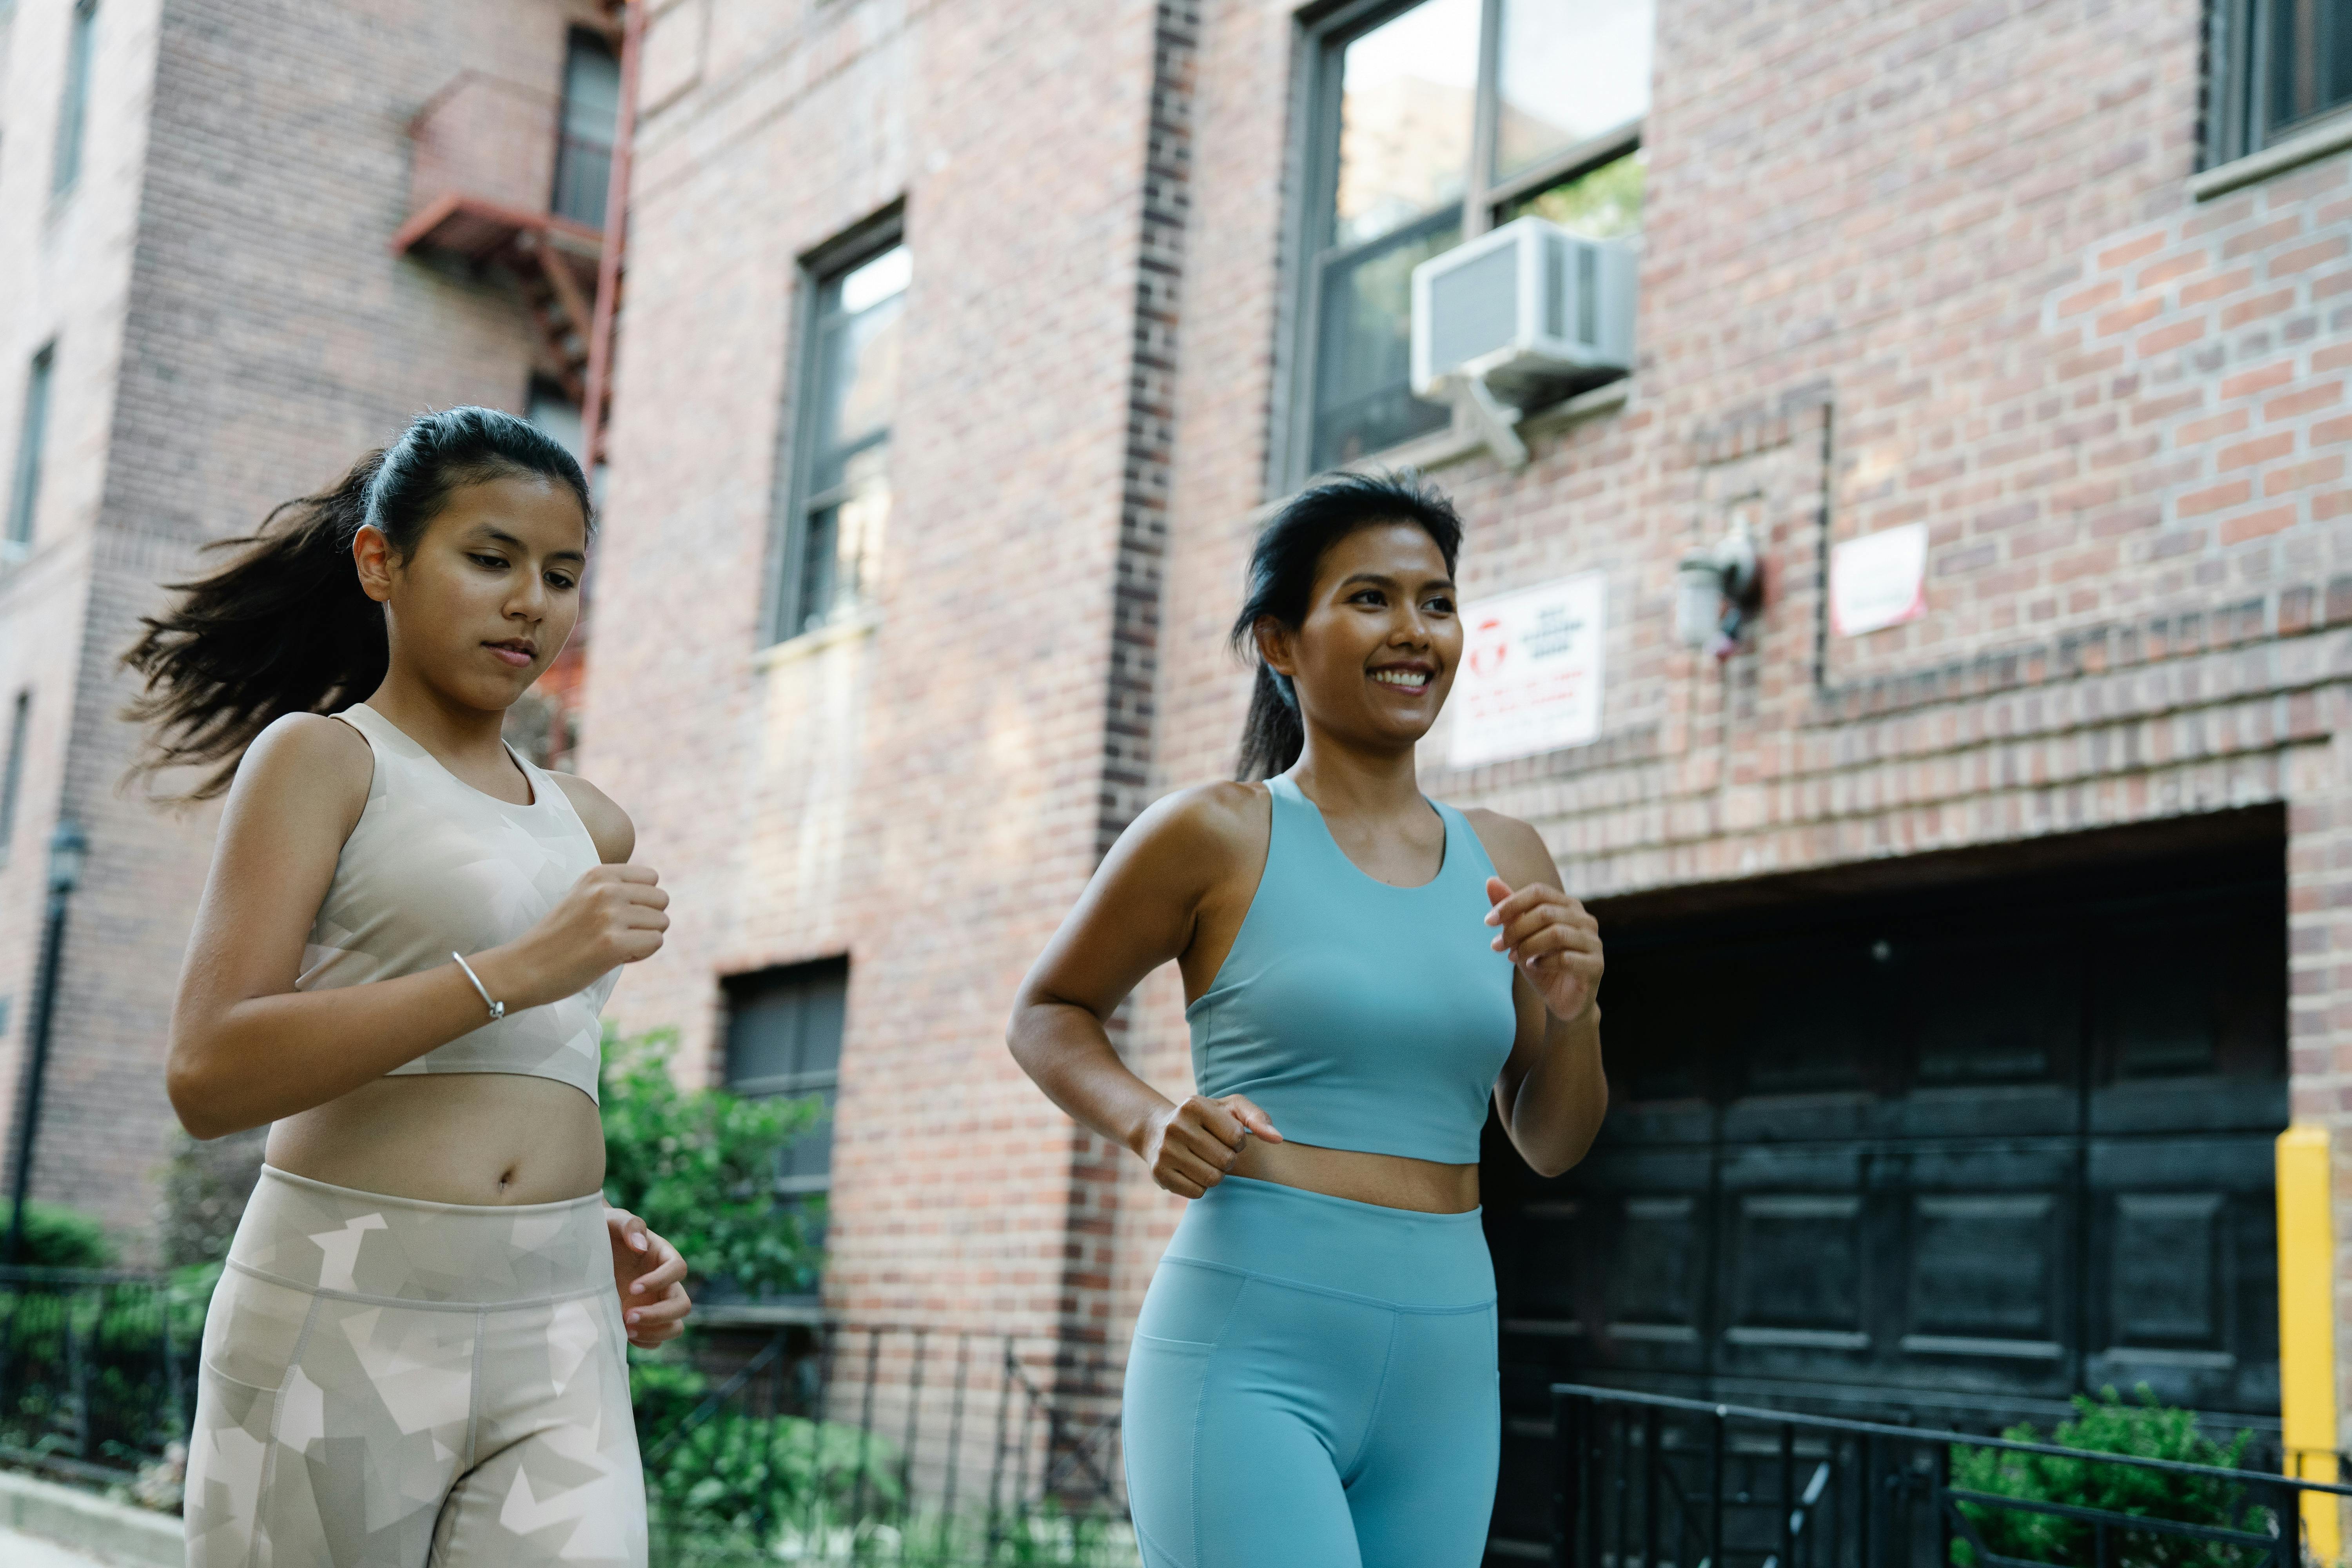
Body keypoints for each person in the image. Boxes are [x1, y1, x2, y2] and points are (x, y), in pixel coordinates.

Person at [1007, 472, 1608, 1568]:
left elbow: (1553, 1144)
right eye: (1371, 599)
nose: (1414, 632)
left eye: (1437, 602)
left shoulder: (1510, 857)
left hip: (1448, 1354)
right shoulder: (1215, 833)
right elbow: (1049, 1011)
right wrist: (1148, 1122)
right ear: (1280, 642)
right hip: (1249, 1346)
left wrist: (1576, 1014)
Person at [126, 407, 686, 1567]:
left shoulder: (594, 825)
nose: (531, 599)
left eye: (562, 573)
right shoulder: (324, 761)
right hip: (341, 1315)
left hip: (560, 1326)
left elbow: (525, 1077)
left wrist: (578, 1218)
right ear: (382, 561)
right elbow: (209, 1072)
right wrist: (517, 969)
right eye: (490, 559)